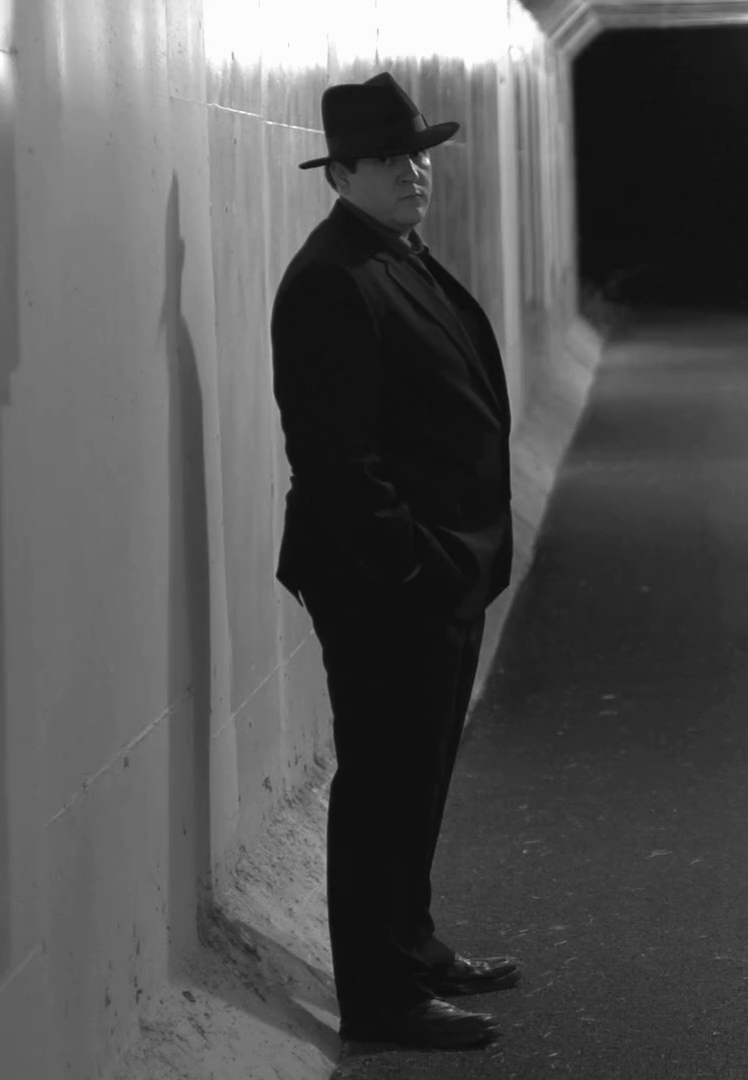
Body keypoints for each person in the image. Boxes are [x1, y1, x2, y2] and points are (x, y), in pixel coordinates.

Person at [270, 71, 520, 1050]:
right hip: (387, 585)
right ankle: (380, 999)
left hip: (438, 572)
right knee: (381, 782)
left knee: (417, 775)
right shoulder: (333, 277)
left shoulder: (392, 255)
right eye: (389, 160)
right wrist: (415, 567)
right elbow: (336, 460)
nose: (415, 171)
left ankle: (411, 948)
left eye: (420, 154)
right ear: (340, 172)